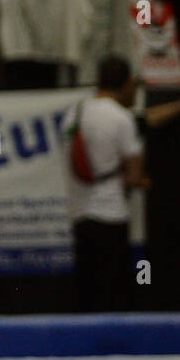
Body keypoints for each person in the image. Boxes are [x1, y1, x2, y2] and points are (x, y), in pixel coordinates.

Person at [62, 55, 153, 313]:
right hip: (111, 214)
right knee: (113, 292)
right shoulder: (120, 118)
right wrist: (140, 180)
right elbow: (134, 176)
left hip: (79, 213)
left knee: (87, 290)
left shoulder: (74, 114)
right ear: (126, 83)